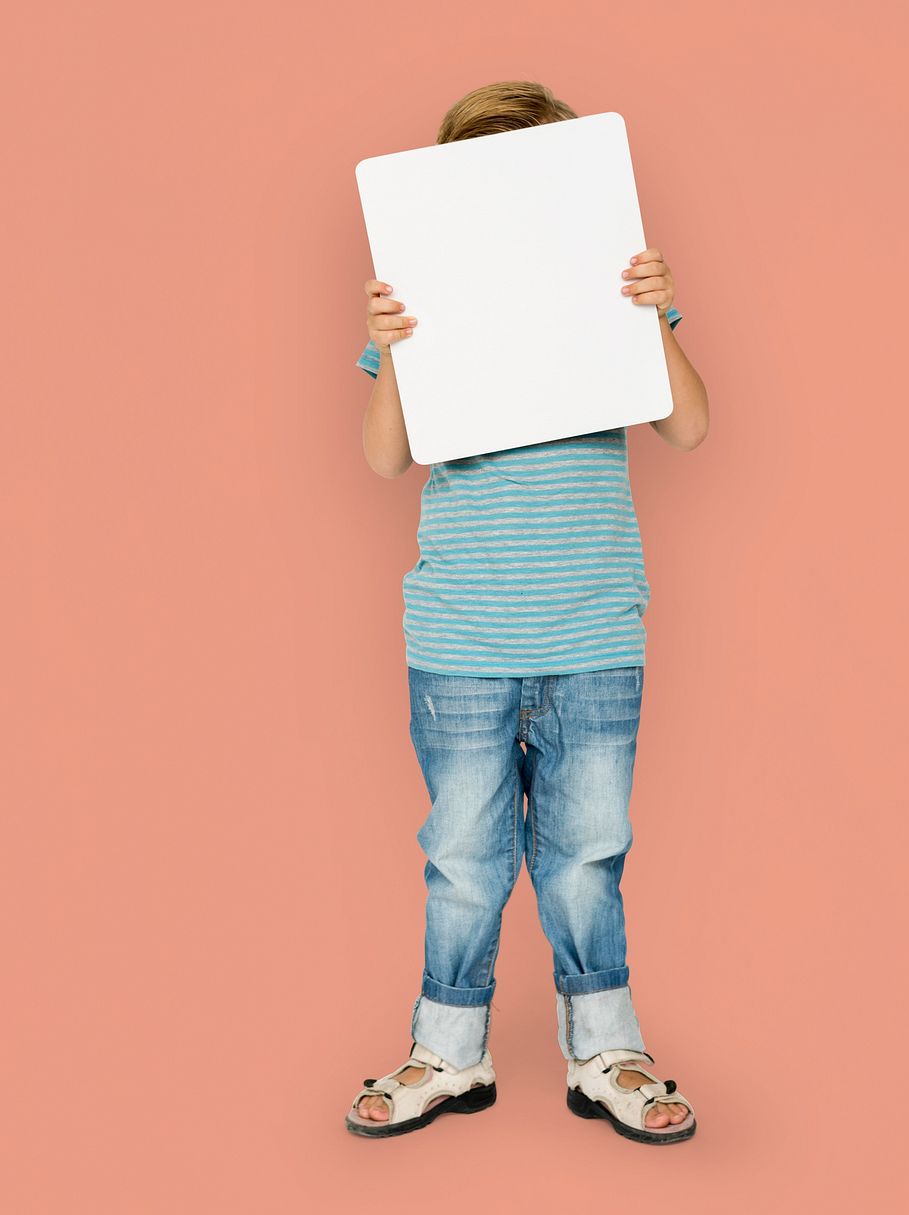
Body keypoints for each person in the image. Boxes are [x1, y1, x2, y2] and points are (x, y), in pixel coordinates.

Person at [346, 81, 710, 1145]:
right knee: (463, 857)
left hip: (592, 626)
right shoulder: (423, 299)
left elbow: (688, 425)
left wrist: (651, 315)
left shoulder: (611, 283)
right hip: (461, 632)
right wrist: (394, 346)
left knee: (587, 851)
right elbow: (384, 456)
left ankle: (605, 1047)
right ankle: (449, 1049)